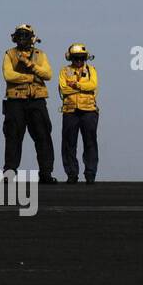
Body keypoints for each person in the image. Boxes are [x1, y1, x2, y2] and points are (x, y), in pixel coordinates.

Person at [2, 24, 57, 183]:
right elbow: (9, 75)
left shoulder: (40, 55)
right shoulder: (9, 54)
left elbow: (48, 74)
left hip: (37, 101)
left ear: (32, 37)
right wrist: (31, 78)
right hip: (15, 101)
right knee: (13, 136)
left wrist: (31, 65)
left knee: (43, 136)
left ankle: (46, 173)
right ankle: (10, 172)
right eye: (19, 35)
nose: (22, 39)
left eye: (25, 35)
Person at [58, 43, 100, 183]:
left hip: (89, 111)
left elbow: (93, 85)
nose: (79, 61)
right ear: (70, 58)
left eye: (82, 58)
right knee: (69, 144)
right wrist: (83, 88)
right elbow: (63, 89)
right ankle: (71, 174)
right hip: (70, 111)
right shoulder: (64, 71)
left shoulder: (91, 70)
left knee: (90, 143)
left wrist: (76, 85)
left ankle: (90, 174)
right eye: (76, 59)